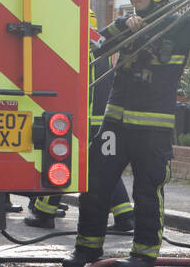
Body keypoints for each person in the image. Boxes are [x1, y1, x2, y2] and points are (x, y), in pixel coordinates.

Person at [62, 0, 190, 267]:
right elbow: (96, 45)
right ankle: (86, 249)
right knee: (95, 183)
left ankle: (143, 257)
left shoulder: (180, 25)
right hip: (115, 125)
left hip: (152, 130)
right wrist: (121, 26)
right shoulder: (130, 22)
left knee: (147, 191)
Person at [25, 14, 134, 232]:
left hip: (82, 121)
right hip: (101, 120)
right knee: (101, 167)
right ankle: (124, 215)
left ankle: (45, 213)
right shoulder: (100, 46)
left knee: (60, 160)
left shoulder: (77, 47)